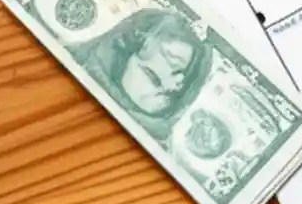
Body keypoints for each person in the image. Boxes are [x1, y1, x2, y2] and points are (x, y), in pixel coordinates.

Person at [71, 8, 211, 144]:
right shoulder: (72, 61)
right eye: (172, 60)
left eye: (185, 76)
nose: (177, 83)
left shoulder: (160, 143)